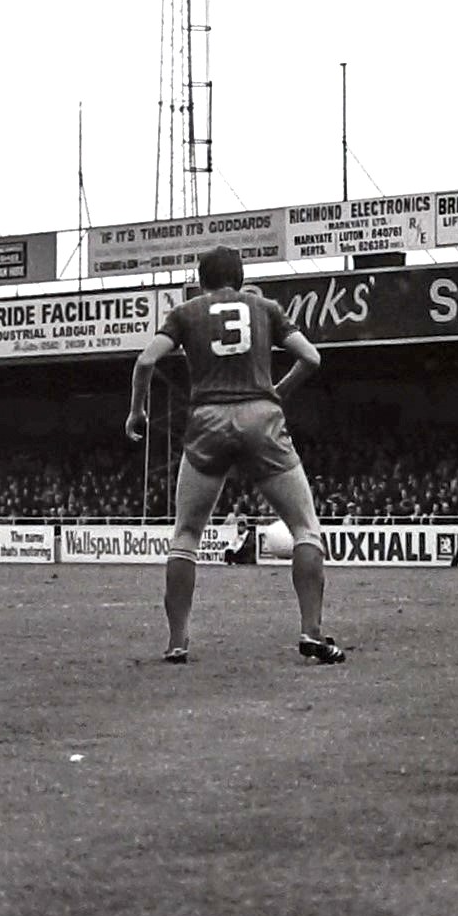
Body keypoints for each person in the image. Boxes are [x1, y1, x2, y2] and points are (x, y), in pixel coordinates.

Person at [125, 245, 343, 665]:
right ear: (241, 278)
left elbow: (145, 360)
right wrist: (277, 394)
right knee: (305, 528)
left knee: (186, 533)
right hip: (261, 417)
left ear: (201, 279)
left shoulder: (186, 312)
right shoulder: (265, 307)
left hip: (207, 419)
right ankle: (311, 632)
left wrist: (137, 410)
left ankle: (177, 642)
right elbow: (311, 358)